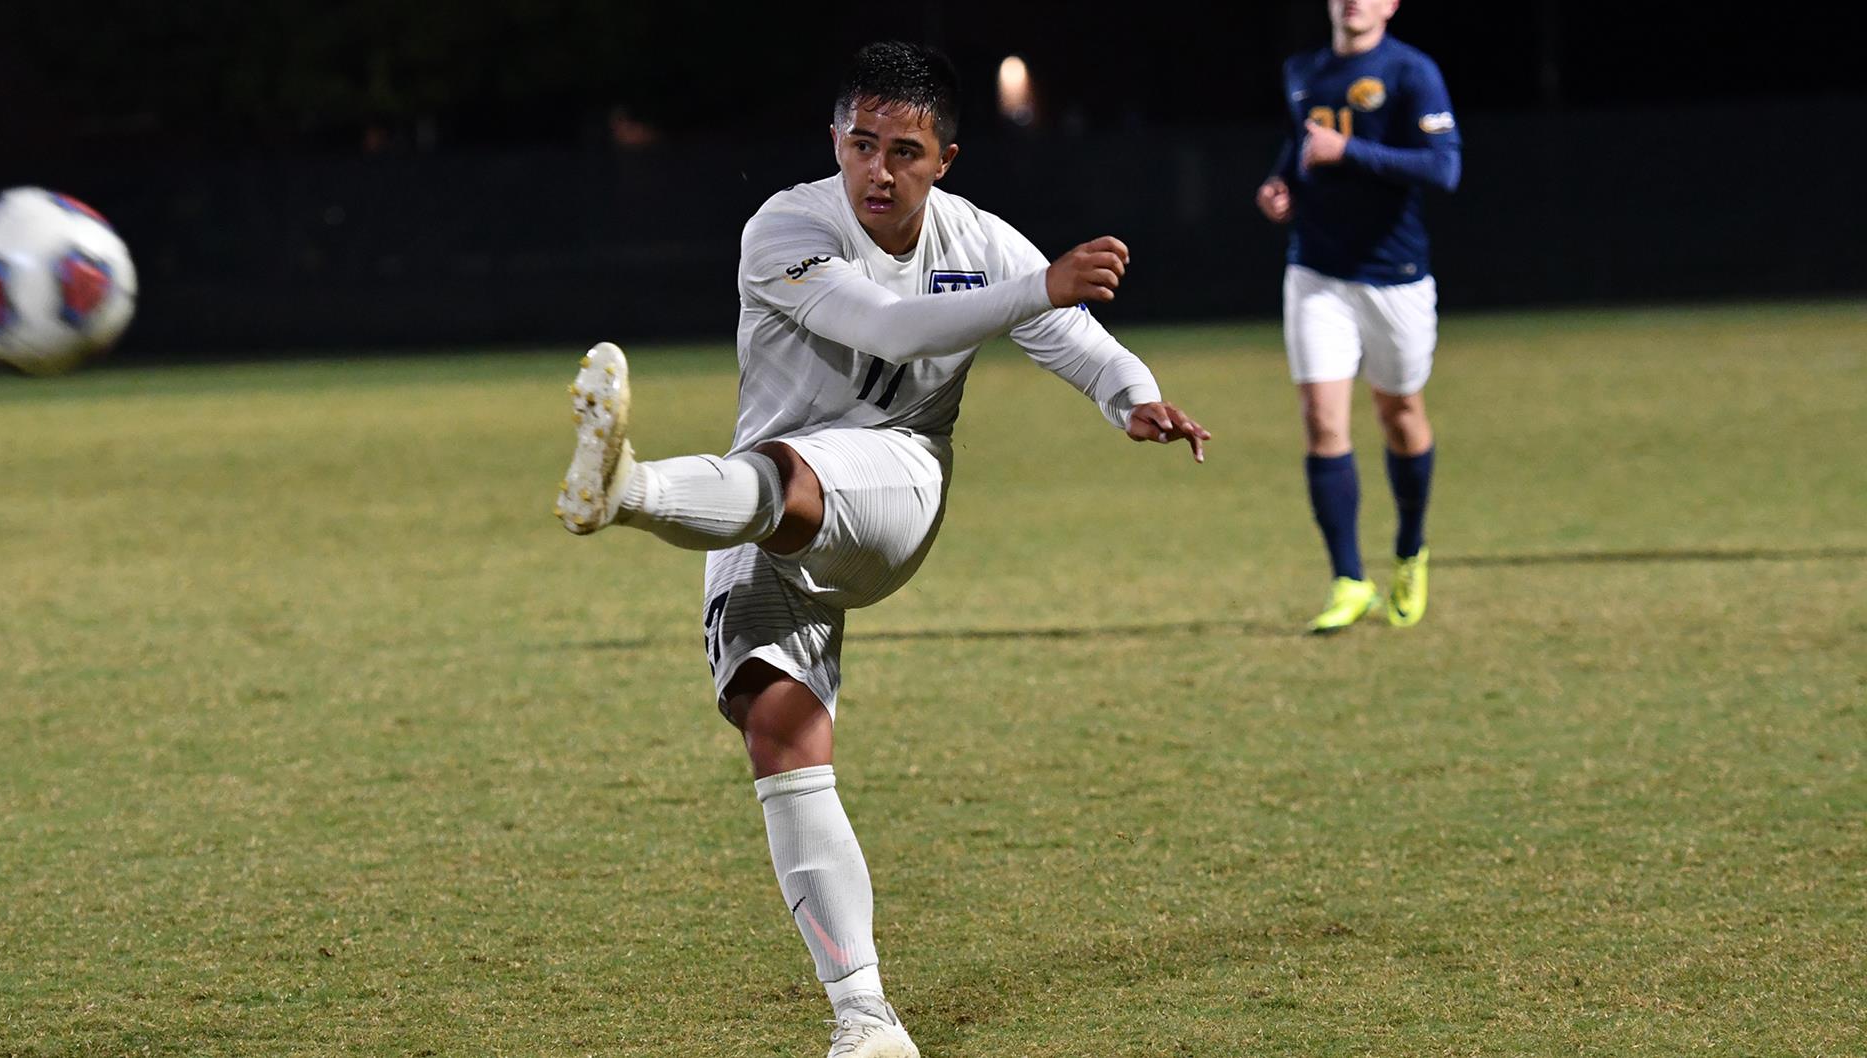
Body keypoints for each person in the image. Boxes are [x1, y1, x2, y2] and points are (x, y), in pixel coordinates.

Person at [553, 40, 1209, 1058]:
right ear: (834, 138)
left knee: (796, 478)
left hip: (894, 483)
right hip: (753, 504)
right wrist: (1041, 285)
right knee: (778, 736)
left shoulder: (976, 238)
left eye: (903, 149)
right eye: (860, 142)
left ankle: (628, 486)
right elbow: (890, 324)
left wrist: (1129, 394)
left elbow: (1068, 336)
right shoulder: (784, 225)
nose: (877, 170)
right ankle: (864, 1018)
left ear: (943, 157)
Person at [1255, 0, 1460, 632]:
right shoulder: (1302, 70)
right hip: (1316, 271)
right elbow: (1301, 147)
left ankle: (1410, 551)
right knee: (1322, 420)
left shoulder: (1410, 72)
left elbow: (1443, 167)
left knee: (1399, 414)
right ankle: (1348, 579)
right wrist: (1279, 185)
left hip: (1394, 277)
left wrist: (1351, 151)